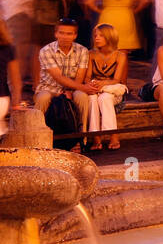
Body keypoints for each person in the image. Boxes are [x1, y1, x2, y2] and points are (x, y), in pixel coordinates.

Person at [34, 17, 90, 146]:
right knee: (43, 97)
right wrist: (81, 87)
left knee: (82, 96)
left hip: (73, 88)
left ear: (75, 35)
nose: (65, 36)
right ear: (56, 34)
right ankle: (36, 139)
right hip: (48, 87)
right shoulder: (46, 51)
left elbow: (80, 76)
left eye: (69, 33)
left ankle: (80, 139)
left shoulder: (82, 51)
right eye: (62, 33)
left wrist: (71, 90)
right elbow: (58, 77)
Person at [84, 23, 128, 151]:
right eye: (95, 35)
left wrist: (102, 84)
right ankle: (96, 136)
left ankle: (113, 135)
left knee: (105, 98)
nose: (96, 38)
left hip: (113, 92)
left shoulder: (120, 55)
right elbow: (87, 77)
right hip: (95, 89)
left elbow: (117, 80)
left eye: (101, 36)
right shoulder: (91, 53)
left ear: (110, 37)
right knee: (92, 98)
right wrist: (92, 84)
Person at [0, 17, 24, 135]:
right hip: (2, 99)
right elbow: (16, 81)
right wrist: (15, 103)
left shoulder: (8, 48)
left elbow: (16, 80)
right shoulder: (8, 48)